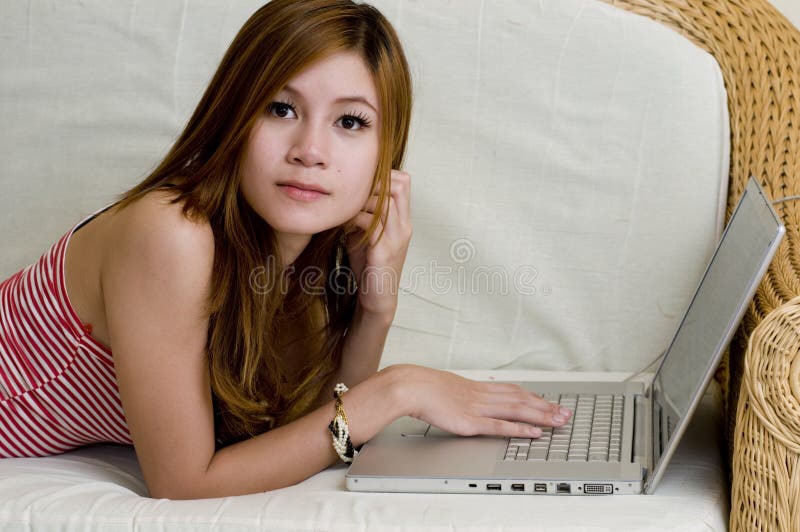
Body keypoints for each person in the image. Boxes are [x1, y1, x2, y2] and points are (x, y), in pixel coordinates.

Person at [0, 0, 571, 499]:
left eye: (350, 121)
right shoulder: (171, 233)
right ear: (234, 116)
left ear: (385, 157)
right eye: (281, 108)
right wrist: (397, 390)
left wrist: (376, 308)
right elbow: (183, 484)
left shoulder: (294, 260)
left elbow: (313, 429)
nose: (310, 149)